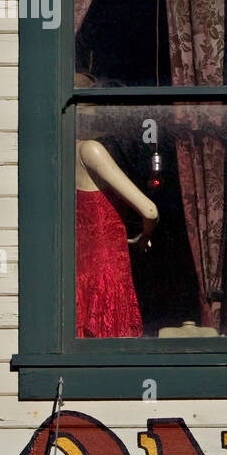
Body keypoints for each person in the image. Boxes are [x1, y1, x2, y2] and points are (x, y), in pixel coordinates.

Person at [74, 71, 158, 337]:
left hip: (81, 268)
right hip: (106, 270)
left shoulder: (60, 152)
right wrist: (144, 235)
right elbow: (149, 210)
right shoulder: (91, 150)